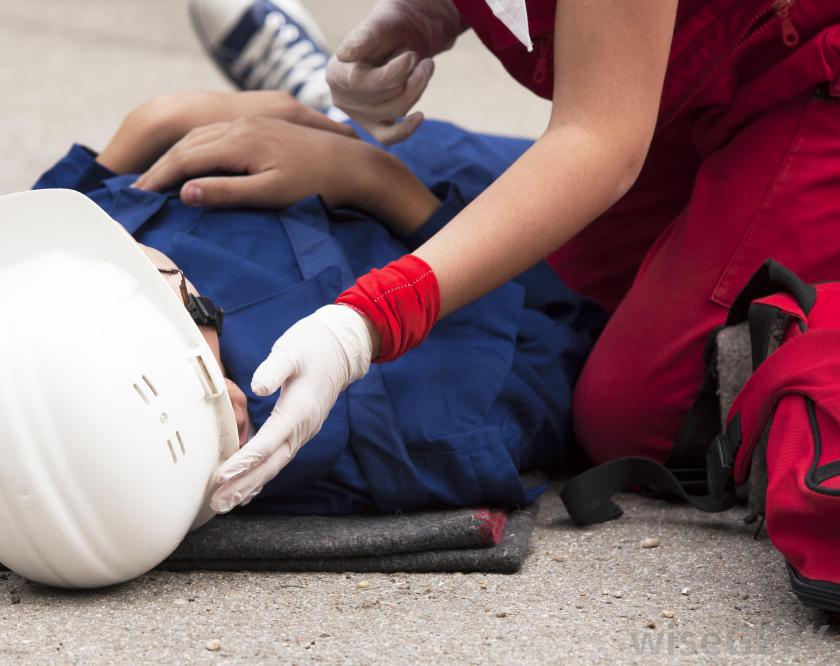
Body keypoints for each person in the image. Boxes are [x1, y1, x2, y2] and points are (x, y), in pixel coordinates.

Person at [196, 0, 840, 513]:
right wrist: (437, 10)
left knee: (636, 416)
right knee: (545, 294)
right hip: (682, 83)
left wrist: (365, 323)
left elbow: (598, 141)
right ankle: (347, 128)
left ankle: (359, 140)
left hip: (804, 80)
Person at [0, 89, 602, 516]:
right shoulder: (419, 426)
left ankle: (294, 95)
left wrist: (149, 129)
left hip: (236, 149)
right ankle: (316, 96)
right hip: (431, 201)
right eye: (174, 300)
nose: (136, 257)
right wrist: (377, 180)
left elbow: (21, 252)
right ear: (225, 400)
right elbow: (560, 307)